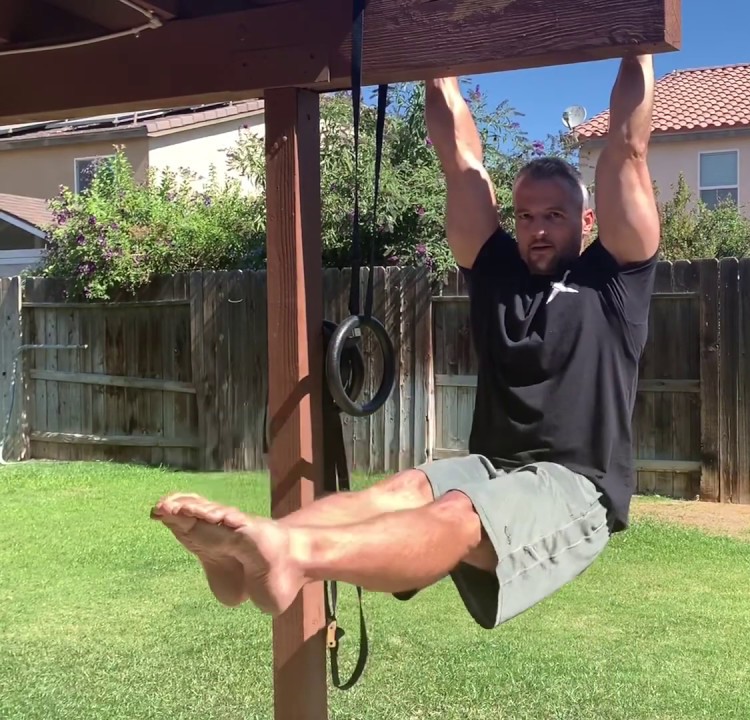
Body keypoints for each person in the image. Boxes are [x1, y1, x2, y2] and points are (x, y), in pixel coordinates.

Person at [150, 54, 661, 629]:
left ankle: (293, 556)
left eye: (555, 215)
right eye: (525, 216)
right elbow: (461, 160)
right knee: (401, 489)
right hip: (492, 465)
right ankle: (256, 553)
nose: (538, 228)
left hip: (574, 484)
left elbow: (626, 146)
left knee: (457, 512)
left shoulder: (612, 278)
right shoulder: (497, 273)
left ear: (585, 222)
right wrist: (435, 59)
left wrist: (637, 45)